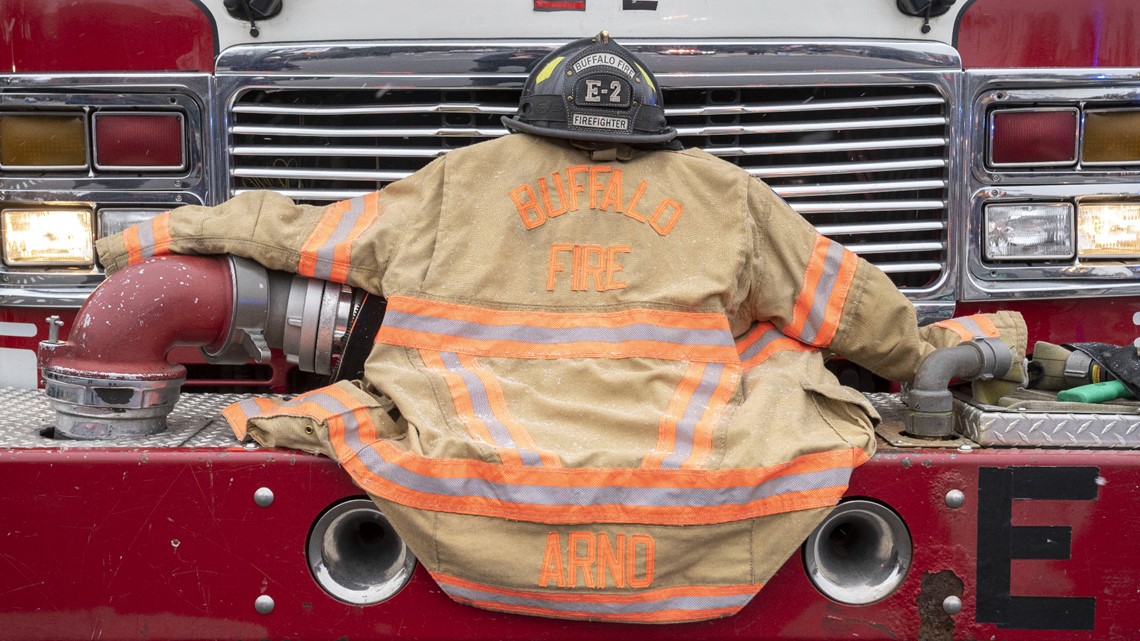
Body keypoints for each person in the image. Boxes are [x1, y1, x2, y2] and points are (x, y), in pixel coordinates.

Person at [97, 32, 1025, 623]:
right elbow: (864, 314)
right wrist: (971, 346)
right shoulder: (726, 197)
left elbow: (285, 229)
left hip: (479, 497)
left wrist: (144, 237)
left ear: (529, 122)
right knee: (792, 355)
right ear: (656, 131)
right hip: (694, 511)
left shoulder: (457, 184)